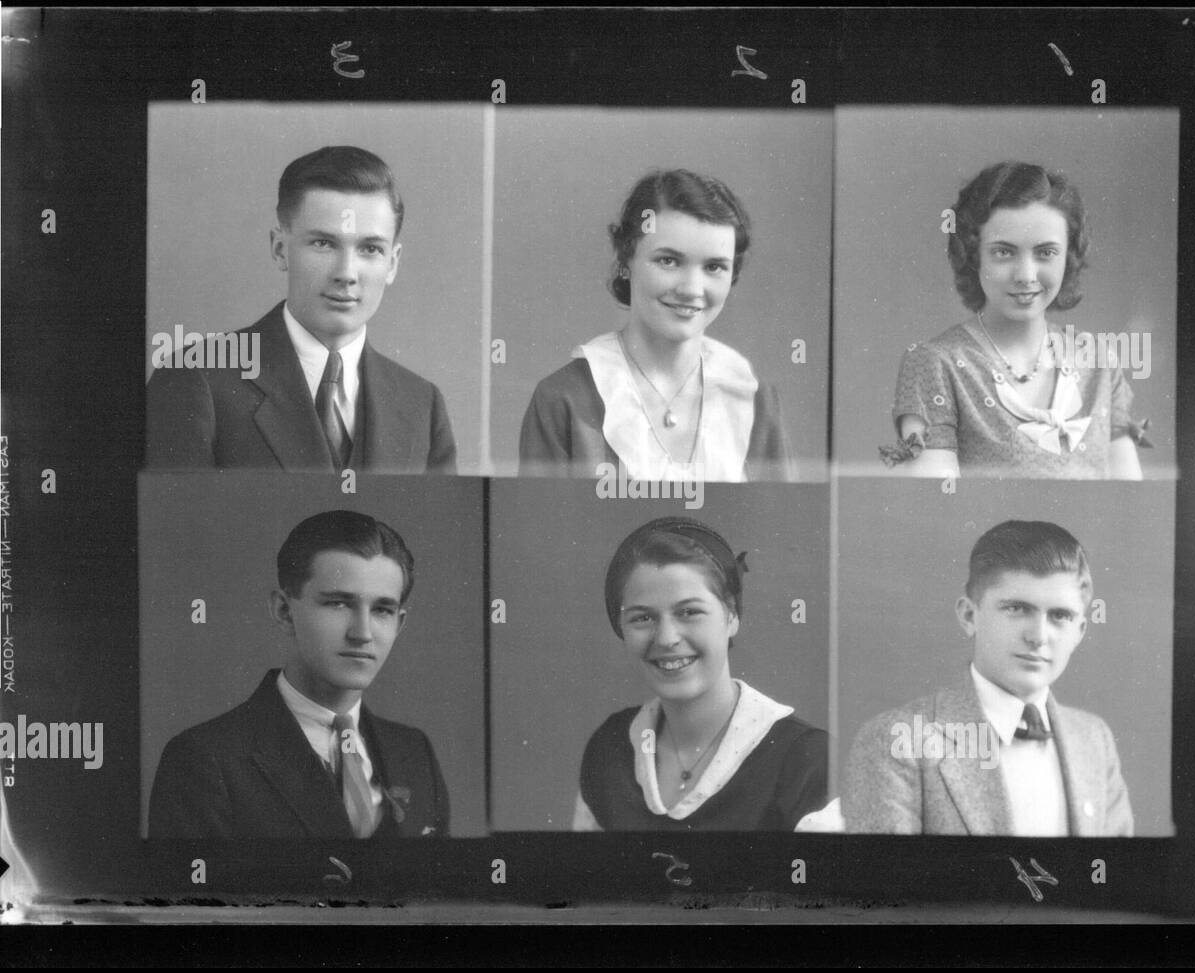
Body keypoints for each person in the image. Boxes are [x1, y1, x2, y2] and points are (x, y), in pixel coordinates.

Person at [147, 146, 457, 472]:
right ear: (280, 249)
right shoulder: (197, 379)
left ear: (392, 263)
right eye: (323, 243)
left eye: (370, 248)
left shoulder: (423, 405)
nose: (346, 274)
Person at [149, 510, 450, 839]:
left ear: (399, 623)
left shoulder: (415, 750)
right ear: (283, 612)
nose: (363, 633)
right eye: (338, 603)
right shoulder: (204, 758)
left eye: (382, 610)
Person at [844, 520, 1134, 836]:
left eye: (1060, 616)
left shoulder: (1094, 738)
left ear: (1080, 631)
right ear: (970, 616)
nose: (1038, 636)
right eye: (1016, 609)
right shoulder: (898, 740)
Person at [880, 161, 1150, 479]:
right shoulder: (936, 364)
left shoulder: (1100, 362)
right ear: (974, 254)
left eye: (1046, 253)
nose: (1026, 276)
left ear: (1068, 256)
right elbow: (935, 503)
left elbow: (1128, 497)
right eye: (1004, 252)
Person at [519, 169, 791, 482]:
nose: (691, 288)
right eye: (668, 261)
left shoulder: (754, 400)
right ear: (626, 260)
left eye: (714, 267)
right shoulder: (561, 400)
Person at [574, 517, 838, 831]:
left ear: (731, 617)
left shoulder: (808, 763)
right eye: (642, 617)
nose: (666, 638)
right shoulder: (610, 749)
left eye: (689, 612)